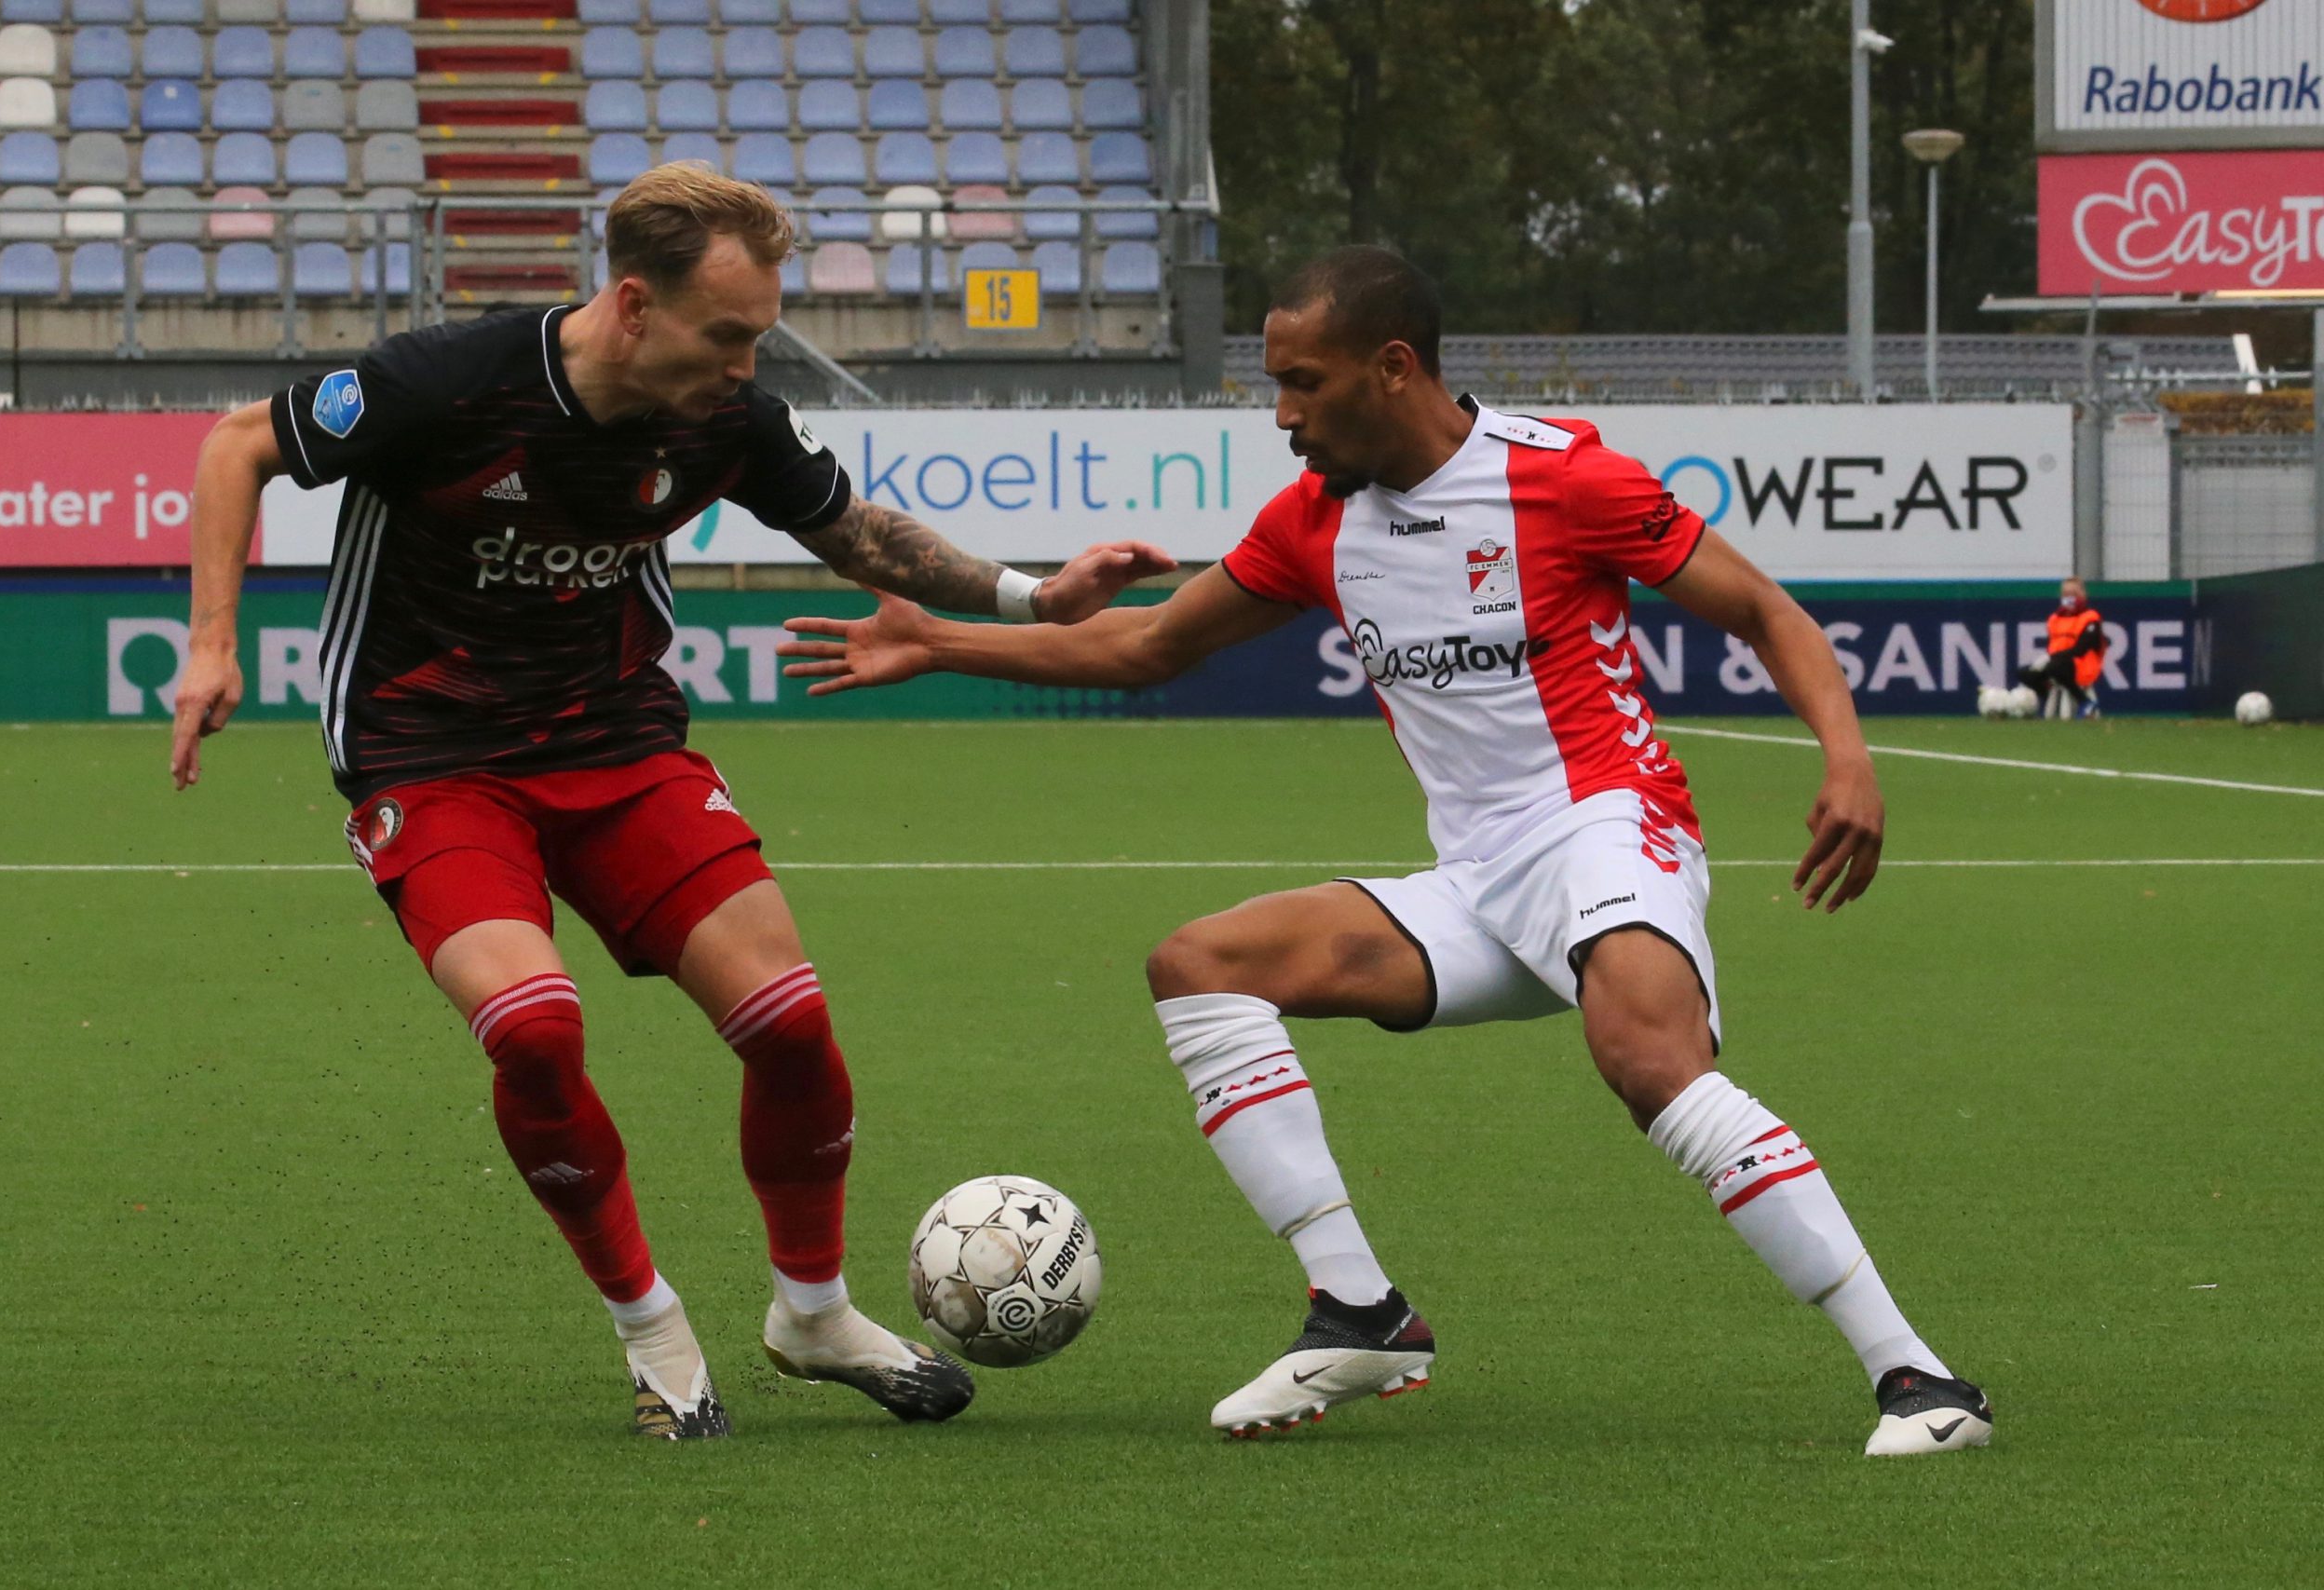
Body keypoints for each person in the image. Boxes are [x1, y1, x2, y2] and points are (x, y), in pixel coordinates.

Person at [778, 246, 1992, 1457]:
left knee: (1644, 1055)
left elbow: (1764, 610)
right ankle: (1361, 1309)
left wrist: (1847, 756)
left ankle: (1920, 1376)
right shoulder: (1313, 522)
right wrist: (936, 639)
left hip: (1609, 825)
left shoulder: (1564, 479)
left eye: (1304, 381)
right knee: (1203, 964)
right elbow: (1143, 648)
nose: (1283, 412)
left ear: (1394, 367)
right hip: (1477, 880)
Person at [164, 164, 1172, 1440]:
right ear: (634, 306)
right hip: (430, 757)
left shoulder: (725, 417)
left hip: (620, 742)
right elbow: (237, 443)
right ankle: (654, 1328)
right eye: (728, 333)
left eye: (762, 334)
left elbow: (855, 532)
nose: (748, 364)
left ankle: (812, 1312)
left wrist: (1037, 595)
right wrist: (211, 640)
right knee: (533, 1029)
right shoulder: (454, 379)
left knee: (791, 1021)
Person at [2018, 578, 2105, 718]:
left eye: (2073, 594)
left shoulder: (2090, 618)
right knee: (2025, 673)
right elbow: (2054, 645)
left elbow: (2081, 650)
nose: (2069, 599)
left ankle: (2085, 702)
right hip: (2058, 663)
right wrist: (2048, 658)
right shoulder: (2055, 618)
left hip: (2082, 665)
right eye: (2065, 595)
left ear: (2082, 595)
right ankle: (2048, 696)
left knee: (2055, 667)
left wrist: (2051, 658)